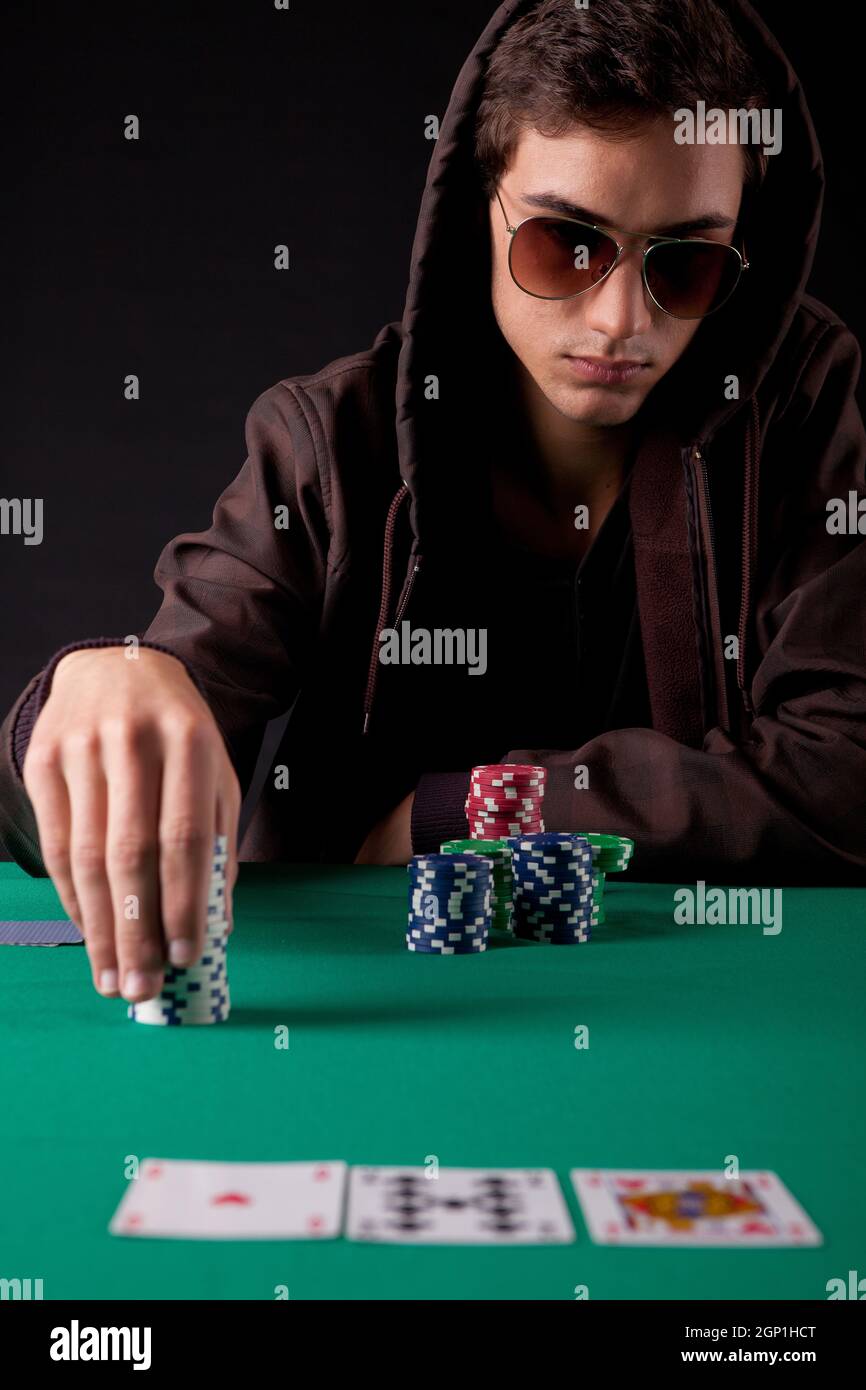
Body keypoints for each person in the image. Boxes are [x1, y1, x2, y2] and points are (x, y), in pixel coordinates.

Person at [2, 0, 865, 1007]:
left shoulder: (794, 401)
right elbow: (147, 734)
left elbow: (844, 769)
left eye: (685, 262)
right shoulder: (328, 440)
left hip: (709, 1012)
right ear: (474, 215)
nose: (620, 318)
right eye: (564, 244)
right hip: (362, 1013)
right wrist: (78, 710)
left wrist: (461, 809)